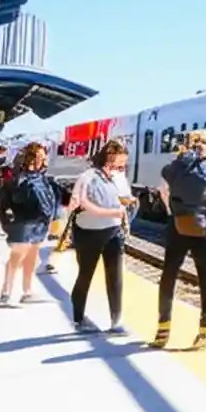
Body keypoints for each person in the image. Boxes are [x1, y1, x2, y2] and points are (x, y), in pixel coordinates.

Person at [153, 130, 206, 350]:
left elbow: (162, 190)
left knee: (168, 276)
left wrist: (174, 212)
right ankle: (205, 331)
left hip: (178, 226)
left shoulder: (176, 166)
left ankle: (163, 328)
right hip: (205, 230)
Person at [69, 140, 132, 334]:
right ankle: (79, 319)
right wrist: (110, 213)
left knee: (115, 277)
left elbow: (123, 199)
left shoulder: (118, 177)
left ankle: (116, 320)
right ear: (110, 156)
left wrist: (125, 210)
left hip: (113, 232)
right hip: (88, 232)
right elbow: (79, 203)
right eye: (121, 161)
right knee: (85, 275)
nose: (123, 166)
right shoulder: (88, 176)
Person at [0, 142, 60, 306]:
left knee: (31, 258)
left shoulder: (41, 177)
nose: (44, 160)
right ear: (33, 158)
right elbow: (8, 203)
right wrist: (9, 224)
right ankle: (6, 293)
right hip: (23, 224)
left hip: (38, 224)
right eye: (41, 157)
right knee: (17, 258)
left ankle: (27, 291)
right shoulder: (19, 178)